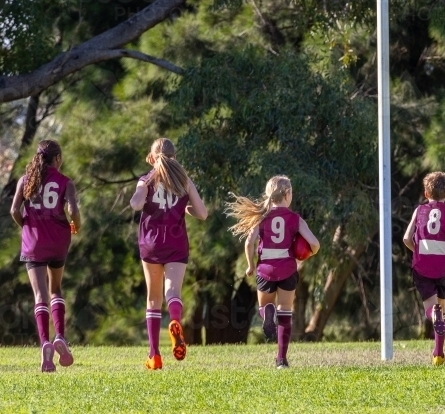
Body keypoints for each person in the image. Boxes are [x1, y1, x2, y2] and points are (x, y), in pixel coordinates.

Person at [226, 176, 320, 369]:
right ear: (287, 194)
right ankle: (281, 360)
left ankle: (267, 312)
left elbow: (248, 242)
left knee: (266, 307)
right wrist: (308, 254)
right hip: (287, 269)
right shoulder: (295, 219)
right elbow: (315, 244)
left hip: (265, 269)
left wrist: (250, 265)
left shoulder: (261, 217)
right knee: (285, 312)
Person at [130, 138, 207, 371]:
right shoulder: (184, 180)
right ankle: (175, 319)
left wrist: (140, 196)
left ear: (152, 158)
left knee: (153, 299)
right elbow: (202, 213)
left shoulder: (147, 179)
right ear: (175, 157)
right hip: (176, 244)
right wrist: (183, 207)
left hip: (151, 244)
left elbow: (135, 204)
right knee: (172, 291)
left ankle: (154, 355)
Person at [10, 140, 81, 373]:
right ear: (57, 158)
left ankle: (45, 343)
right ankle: (60, 335)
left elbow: (13, 211)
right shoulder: (65, 182)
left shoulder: (26, 181)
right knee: (56, 289)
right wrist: (75, 225)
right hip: (58, 241)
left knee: (39, 295)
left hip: (33, 243)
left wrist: (27, 226)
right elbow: (73, 211)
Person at [403, 171, 445, 366]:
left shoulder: (419, 210)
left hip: (422, 265)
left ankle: (433, 316)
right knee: (442, 310)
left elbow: (406, 238)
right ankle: (438, 354)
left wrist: (418, 250)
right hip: (443, 266)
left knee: (432, 309)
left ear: (425, 194)